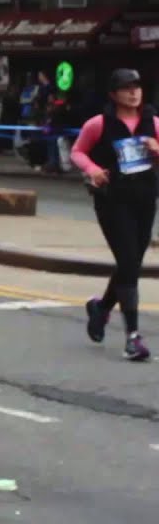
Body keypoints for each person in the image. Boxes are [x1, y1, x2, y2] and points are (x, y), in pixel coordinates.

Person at [71, 68, 157, 362]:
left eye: (137, 87)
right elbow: (78, 152)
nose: (133, 92)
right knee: (129, 263)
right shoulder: (99, 123)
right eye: (126, 88)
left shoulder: (153, 122)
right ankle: (132, 338)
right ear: (113, 94)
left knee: (129, 262)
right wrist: (92, 170)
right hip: (113, 200)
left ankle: (102, 308)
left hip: (145, 199)